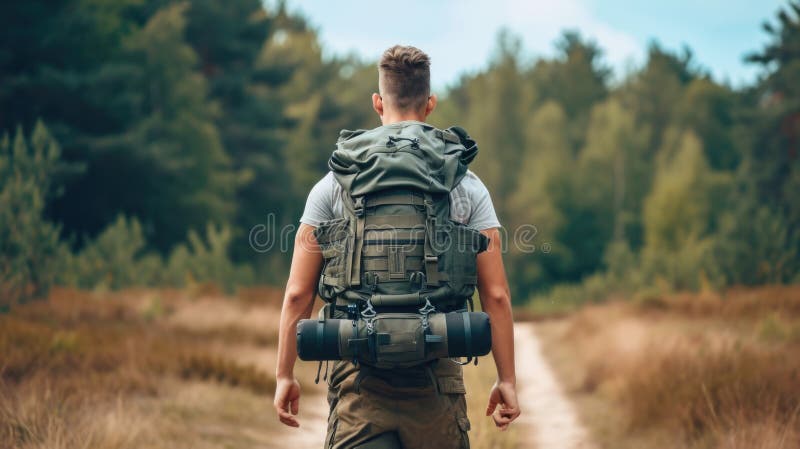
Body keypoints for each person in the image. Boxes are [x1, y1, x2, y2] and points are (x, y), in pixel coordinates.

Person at [274, 45, 520, 449]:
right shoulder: (466, 184)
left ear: (377, 102)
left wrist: (285, 375)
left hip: (359, 386)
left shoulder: (334, 182)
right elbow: (495, 295)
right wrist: (506, 380)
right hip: (436, 385)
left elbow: (298, 294)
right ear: (430, 104)